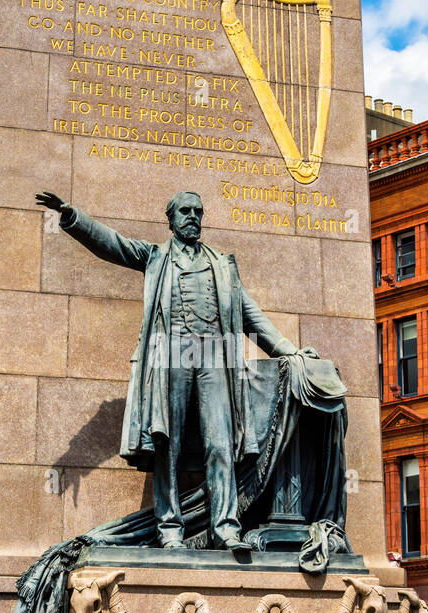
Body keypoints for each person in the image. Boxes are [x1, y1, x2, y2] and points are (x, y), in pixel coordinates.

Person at [35, 188, 307, 549]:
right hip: (171, 355)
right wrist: (72, 217)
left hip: (216, 356)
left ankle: (225, 526)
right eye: (185, 211)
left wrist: (288, 351)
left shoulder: (221, 265)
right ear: (171, 218)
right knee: (168, 443)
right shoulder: (155, 257)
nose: (192, 216)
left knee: (221, 442)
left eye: (198, 211)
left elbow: (250, 315)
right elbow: (112, 244)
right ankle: (169, 529)